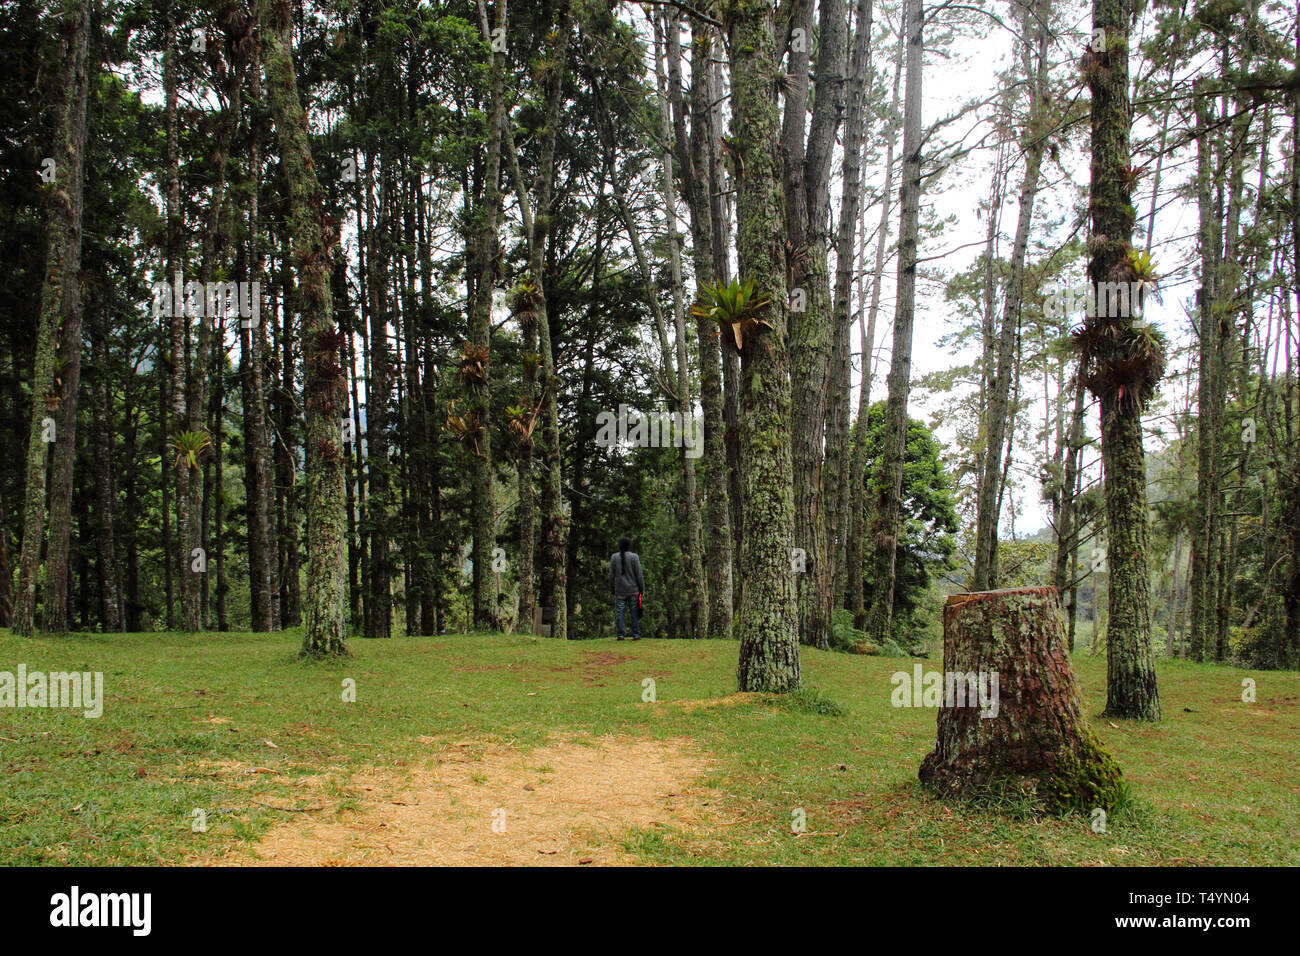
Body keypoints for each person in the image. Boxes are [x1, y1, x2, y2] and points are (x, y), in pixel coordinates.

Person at [608, 536, 645, 640]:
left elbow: (611, 575)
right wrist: (642, 589)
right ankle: (636, 634)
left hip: (620, 590)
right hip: (634, 590)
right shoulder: (634, 557)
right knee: (634, 612)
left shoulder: (614, 557)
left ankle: (620, 635)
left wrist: (612, 589)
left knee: (620, 612)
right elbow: (639, 575)